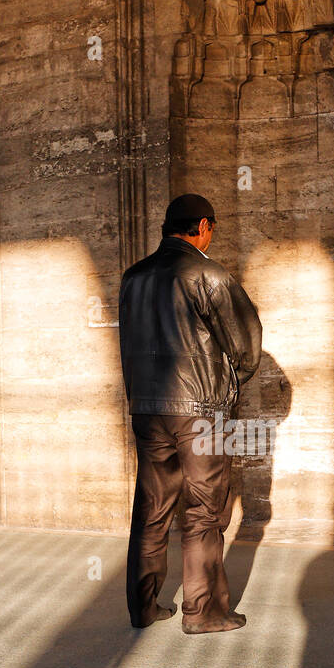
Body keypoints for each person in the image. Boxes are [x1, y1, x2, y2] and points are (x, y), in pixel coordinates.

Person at [118, 194, 263, 634]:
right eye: (212, 228)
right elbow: (246, 343)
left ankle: (143, 608)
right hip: (202, 412)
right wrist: (230, 383)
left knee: (151, 509)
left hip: (147, 409)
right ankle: (204, 612)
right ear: (202, 225)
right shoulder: (209, 274)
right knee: (202, 510)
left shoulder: (133, 277)